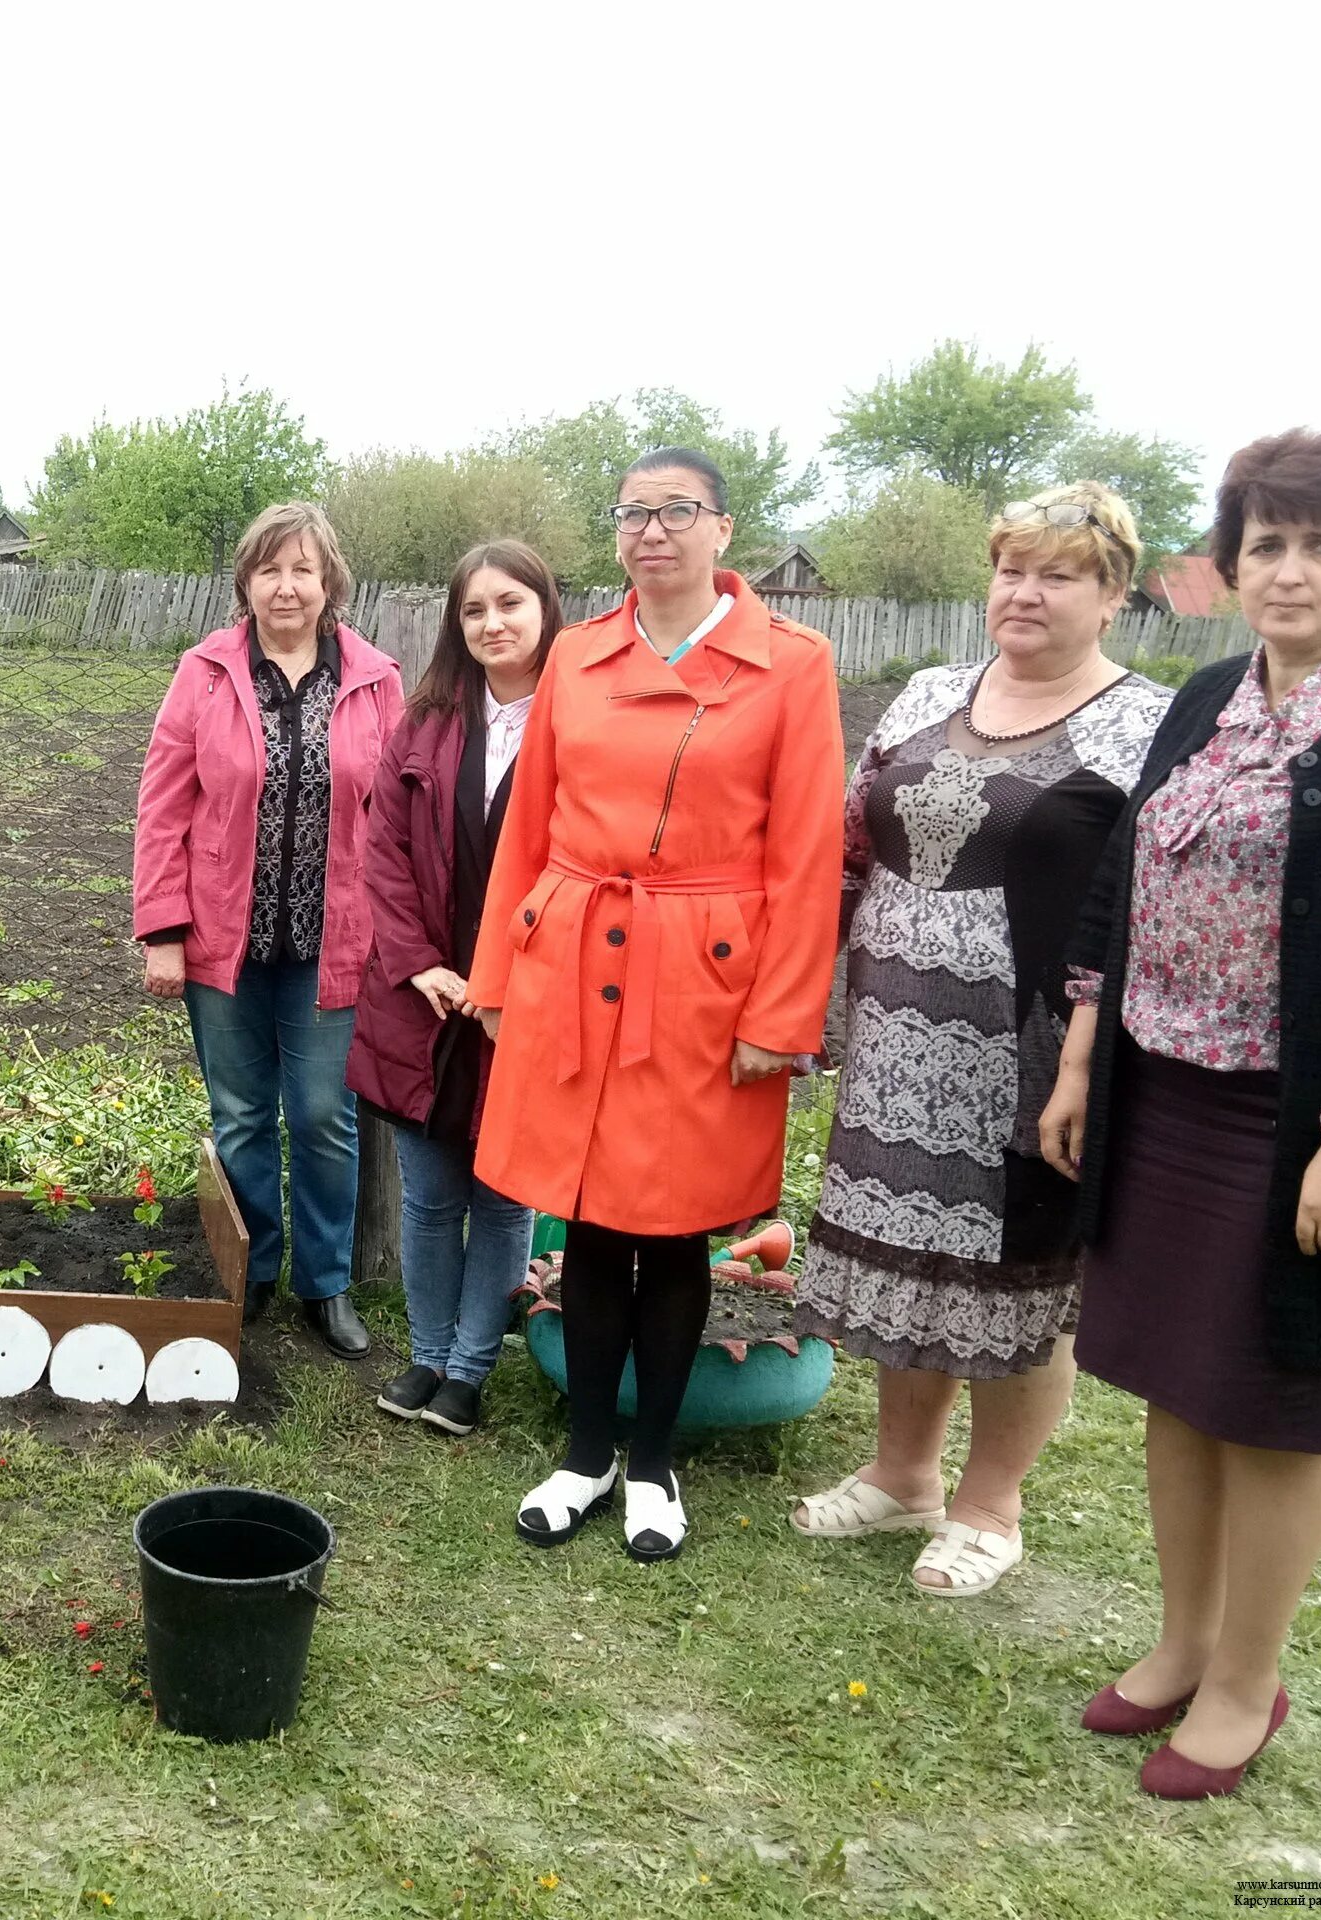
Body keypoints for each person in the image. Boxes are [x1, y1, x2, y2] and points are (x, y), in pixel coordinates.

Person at [1041, 427, 1321, 1799]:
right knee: (1175, 1387)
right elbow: (1122, 884)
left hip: (1299, 1126)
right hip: (1161, 1092)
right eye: (1266, 545)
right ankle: (1181, 1647)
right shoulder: (1208, 696)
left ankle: (1246, 1686)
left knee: (1275, 1406)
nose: (1288, 571)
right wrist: (1077, 1059)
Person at [790, 484, 1171, 1595]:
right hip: (894, 1029)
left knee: (1015, 1275)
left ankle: (988, 1504)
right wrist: (817, 984)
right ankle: (900, 1473)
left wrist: (1088, 1063)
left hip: (1030, 1046)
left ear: (1111, 595)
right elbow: (853, 842)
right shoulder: (926, 694)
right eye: (1011, 569)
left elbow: (1143, 898)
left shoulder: (1139, 725)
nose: (1025, 592)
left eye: (1058, 574)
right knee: (907, 1259)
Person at [469, 448, 842, 1562]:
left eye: (678, 511)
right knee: (584, 1220)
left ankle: (658, 1463)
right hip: (572, 964)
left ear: (722, 530)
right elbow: (525, 826)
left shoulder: (791, 664)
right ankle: (586, 1453)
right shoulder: (578, 657)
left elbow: (809, 848)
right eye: (633, 513)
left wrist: (779, 1017)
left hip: (704, 983)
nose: (654, 532)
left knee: (675, 1227)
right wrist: (496, 975)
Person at [133, 502, 405, 1357]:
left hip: (334, 942)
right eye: (269, 570)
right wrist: (163, 929)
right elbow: (162, 807)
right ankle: (251, 1269)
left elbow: (397, 818)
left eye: (303, 571)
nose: (287, 587)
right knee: (242, 1114)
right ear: (245, 583)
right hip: (226, 941)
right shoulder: (206, 672)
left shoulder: (375, 678)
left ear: (330, 585)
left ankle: (325, 1285)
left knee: (324, 1114)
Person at [345, 540, 555, 1435]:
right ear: (454, 624)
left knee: (504, 1195)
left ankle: (470, 1367)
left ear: (546, 608)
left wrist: (507, 981)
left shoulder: (580, 721)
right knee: (431, 1196)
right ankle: (427, 1353)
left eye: (510, 604)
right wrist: (420, 961)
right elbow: (380, 852)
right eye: (474, 610)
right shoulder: (427, 719)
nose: (492, 624)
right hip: (421, 998)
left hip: (524, 1000)